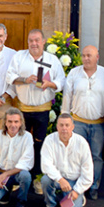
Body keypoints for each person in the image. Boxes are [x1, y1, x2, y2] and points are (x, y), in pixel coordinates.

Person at [6, 29, 65, 177]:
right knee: (20, 143)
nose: (34, 43)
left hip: (42, 110)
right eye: (31, 40)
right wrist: (24, 80)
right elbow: (9, 76)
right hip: (23, 109)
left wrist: (49, 84)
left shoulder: (52, 60)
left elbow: (62, 81)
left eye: (37, 40)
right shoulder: (19, 57)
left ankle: (37, 177)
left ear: (43, 41)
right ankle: (19, 176)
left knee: (39, 144)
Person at [62, 44, 104, 200]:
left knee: (96, 156)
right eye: (84, 55)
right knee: (76, 155)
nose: (86, 58)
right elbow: (67, 97)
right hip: (78, 123)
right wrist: (64, 121)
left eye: (89, 55)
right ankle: (77, 186)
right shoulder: (74, 73)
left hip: (99, 123)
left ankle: (93, 186)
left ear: (97, 57)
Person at [39, 114, 93, 207]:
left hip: (74, 183)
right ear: (57, 127)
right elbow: (46, 165)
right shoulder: (49, 140)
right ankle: (51, 204)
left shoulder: (81, 143)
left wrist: (77, 191)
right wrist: (60, 179)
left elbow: (88, 172)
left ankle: (78, 197)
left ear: (72, 127)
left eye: (67, 125)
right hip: (58, 180)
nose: (64, 128)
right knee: (45, 180)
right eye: (61, 125)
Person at [0, 107, 34, 207]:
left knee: (26, 176)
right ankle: (6, 192)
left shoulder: (27, 137)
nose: (13, 125)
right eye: (10, 121)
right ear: (5, 123)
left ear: (21, 122)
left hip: (17, 174)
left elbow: (26, 163)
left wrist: (5, 175)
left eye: (16, 122)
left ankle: (21, 202)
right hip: (1, 173)